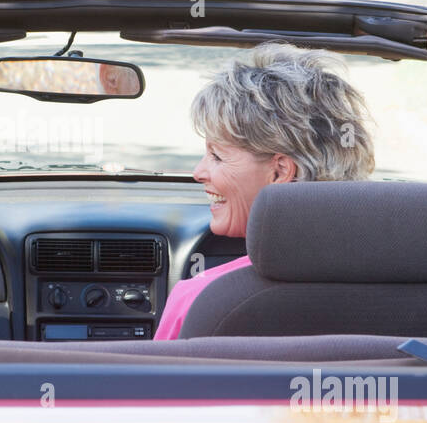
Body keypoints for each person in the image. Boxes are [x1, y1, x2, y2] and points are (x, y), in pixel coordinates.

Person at [154, 42, 376, 340]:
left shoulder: (199, 299)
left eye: (217, 156)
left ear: (280, 171)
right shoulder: (421, 285)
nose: (198, 173)